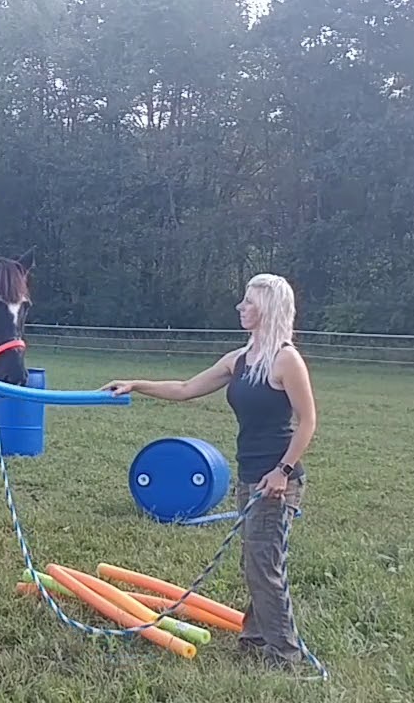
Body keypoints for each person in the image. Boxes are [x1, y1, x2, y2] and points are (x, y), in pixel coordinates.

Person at [100, 273, 317, 669]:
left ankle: (287, 656)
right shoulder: (240, 359)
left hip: (276, 481)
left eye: (248, 302)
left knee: (265, 565)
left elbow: (308, 422)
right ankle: (253, 639)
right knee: (254, 560)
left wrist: (282, 472)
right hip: (250, 475)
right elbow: (185, 388)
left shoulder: (286, 359)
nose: (241, 307)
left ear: (268, 308)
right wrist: (136, 384)